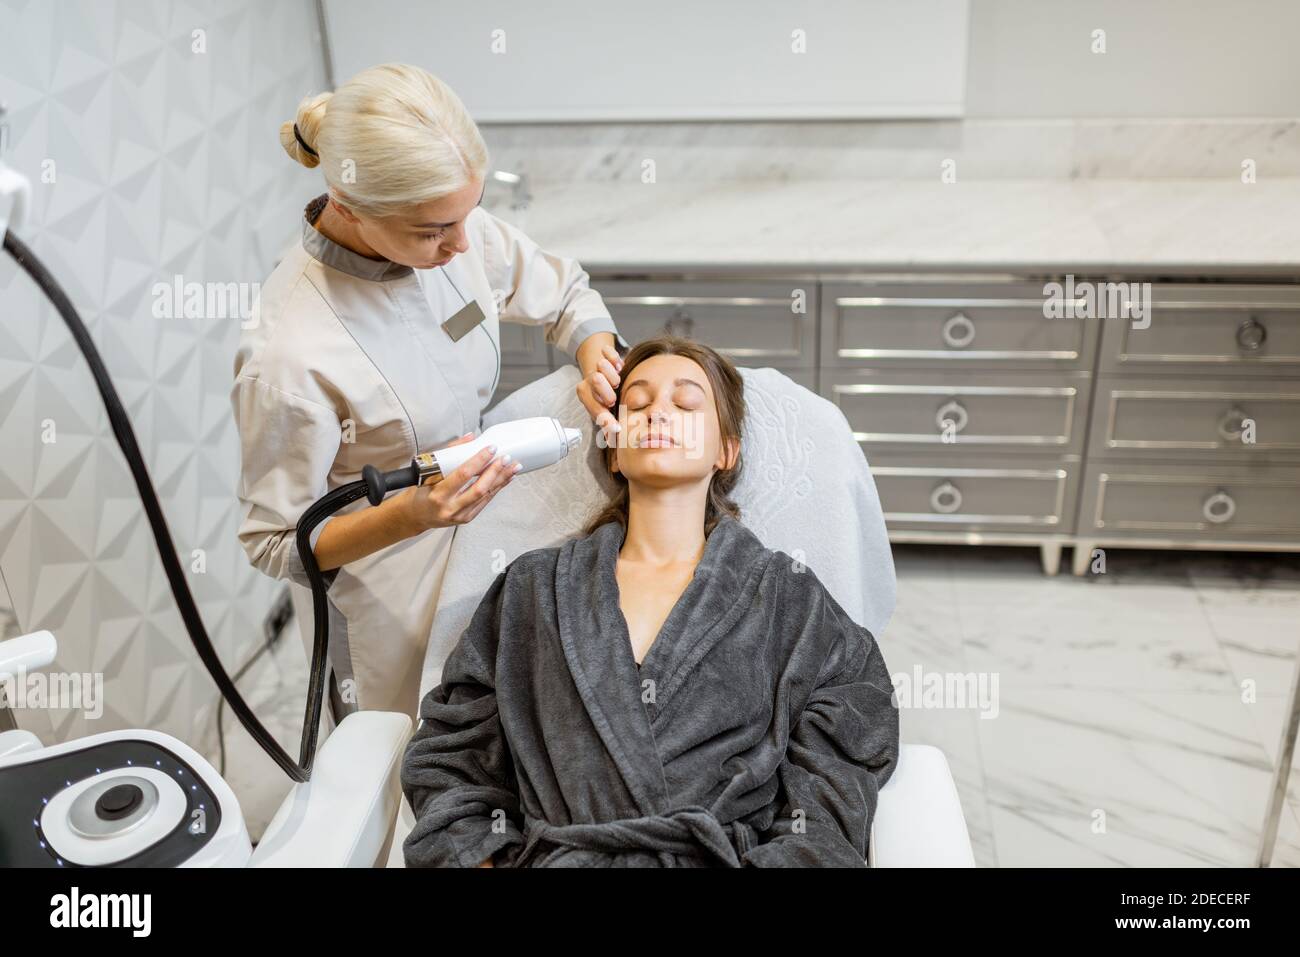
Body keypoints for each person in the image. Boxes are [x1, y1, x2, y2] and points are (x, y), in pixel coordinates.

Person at [401, 337, 899, 867]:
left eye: (685, 404)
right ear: (614, 450)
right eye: (636, 405)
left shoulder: (784, 594)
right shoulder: (534, 588)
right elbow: (453, 754)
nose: (657, 411)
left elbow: (846, 749)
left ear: (725, 451)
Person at [231, 64, 626, 721]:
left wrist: (599, 359)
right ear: (350, 205)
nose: (463, 242)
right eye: (433, 231)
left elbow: (565, 292)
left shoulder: (450, 230)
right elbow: (277, 541)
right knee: (403, 764)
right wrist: (416, 512)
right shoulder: (289, 356)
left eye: (467, 214)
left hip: (475, 537)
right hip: (384, 598)